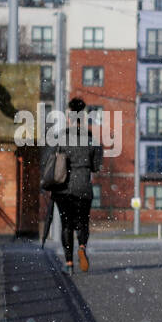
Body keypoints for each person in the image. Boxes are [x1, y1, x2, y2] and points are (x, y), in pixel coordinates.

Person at [50, 96, 101, 274]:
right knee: (82, 222)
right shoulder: (91, 139)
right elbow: (96, 167)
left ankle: (69, 263)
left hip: (63, 188)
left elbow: (51, 162)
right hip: (83, 187)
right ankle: (82, 246)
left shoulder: (61, 137)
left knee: (66, 224)